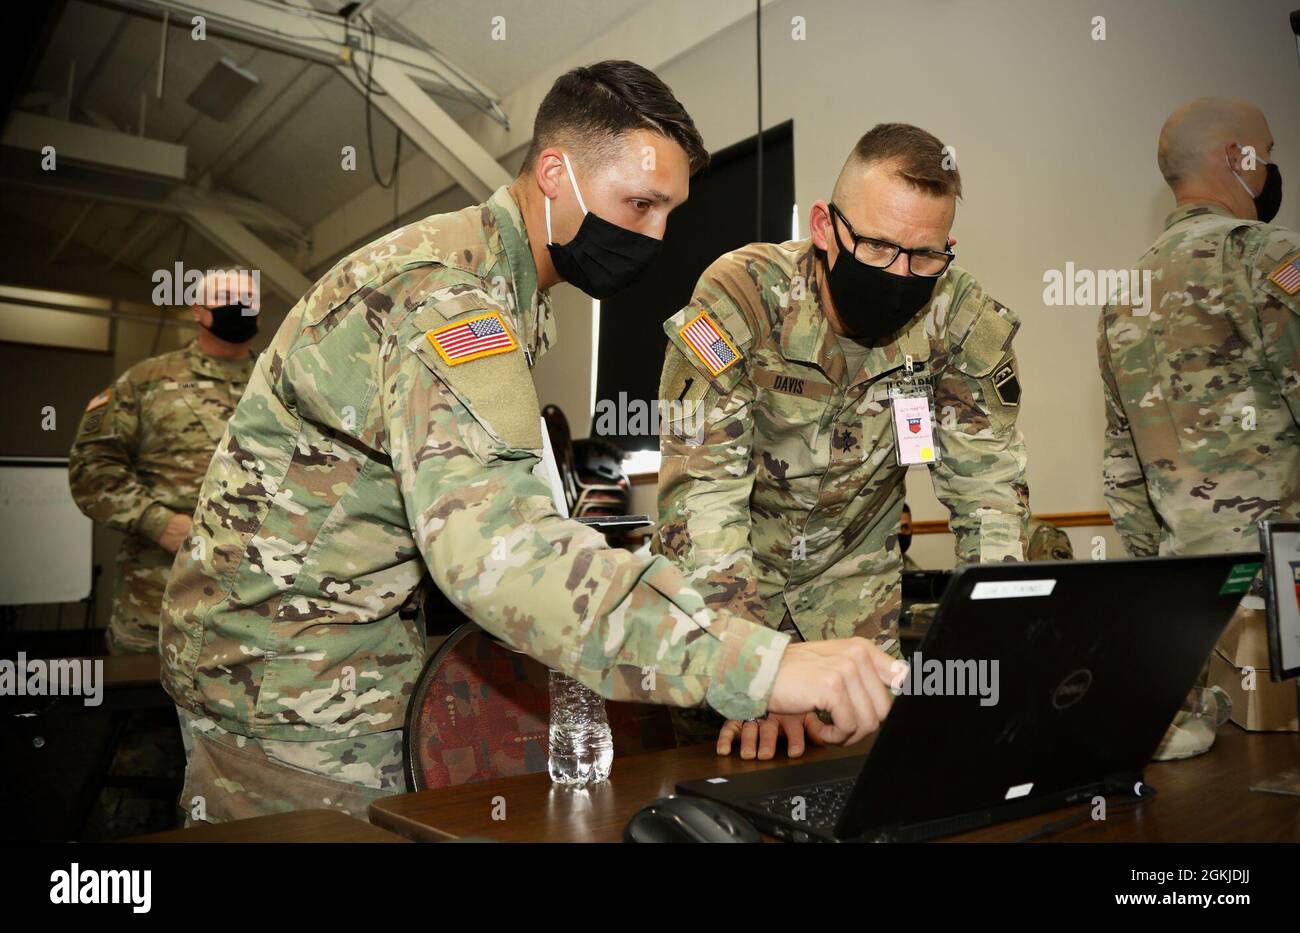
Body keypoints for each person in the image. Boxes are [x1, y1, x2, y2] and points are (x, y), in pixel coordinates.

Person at [159, 61, 899, 823]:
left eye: (669, 211)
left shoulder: (504, 281)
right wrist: (759, 663)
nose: (655, 234)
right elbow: (499, 552)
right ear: (555, 173)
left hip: (340, 641)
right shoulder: (446, 296)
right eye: (639, 203)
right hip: (280, 673)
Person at [654, 123, 1030, 761]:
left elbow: (990, 498)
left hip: (859, 629)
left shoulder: (959, 320)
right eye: (880, 247)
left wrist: (1001, 650)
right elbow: (701, 500)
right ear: (825, 227)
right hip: (726, 617)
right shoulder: (746, 296)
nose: (900, 274)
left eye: (925, 256)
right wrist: (757, 670)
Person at [1098, 97, 1298, 758]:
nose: (1271, 168)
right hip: (1286, 601)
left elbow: (1125, 468)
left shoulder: (1124, 293)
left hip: (1190, 614)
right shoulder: (1269, 255)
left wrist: (1161, 583)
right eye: (1266, 153)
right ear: (1235, 159)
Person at [69, 269, 258, 654]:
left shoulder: (279, 381)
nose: (237, 305)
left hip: (258, 601)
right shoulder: (146, 381)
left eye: (247, 297)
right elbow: (92, 468)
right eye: (224, 295)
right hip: (159, 597)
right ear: (196, 310)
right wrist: (158, 522)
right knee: (145, 707)